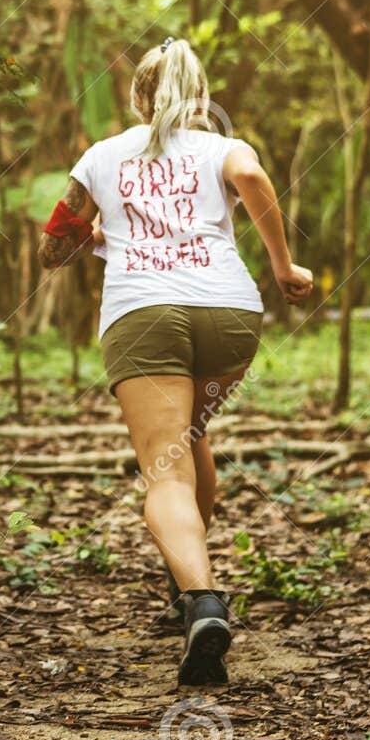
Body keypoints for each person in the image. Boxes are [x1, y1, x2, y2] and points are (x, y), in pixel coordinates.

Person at [37, 37, 313, 685]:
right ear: (201, 99)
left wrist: (94, 232)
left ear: (137, 97)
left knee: (163, 468)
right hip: (230, 316)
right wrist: (282, 264)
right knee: (190, 439)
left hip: (143, 316)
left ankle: (203, 599)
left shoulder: (102, 157)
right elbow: (251, 177)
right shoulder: (223, 148)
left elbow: (53, 249)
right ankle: (185, 577)